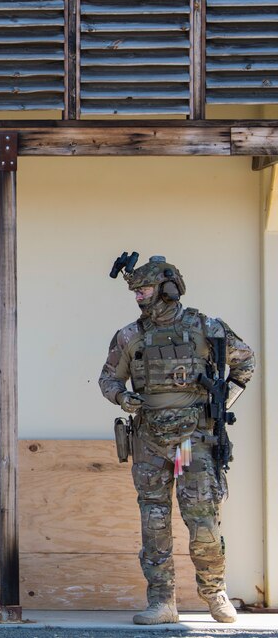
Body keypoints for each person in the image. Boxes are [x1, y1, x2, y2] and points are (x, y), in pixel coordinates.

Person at [100, 255, 254, 625]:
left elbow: (245, 360)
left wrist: (219, 403)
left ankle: (215, 592)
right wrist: (124, 398)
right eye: (135, 290)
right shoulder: (130, 335)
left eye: (145, 288)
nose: (139, 296)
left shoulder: (205, 327)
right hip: (151, 441)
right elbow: (108, 379)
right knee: (154, 524)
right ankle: (161, 602)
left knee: (201, 519)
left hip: (190, 443)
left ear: (168, 288)